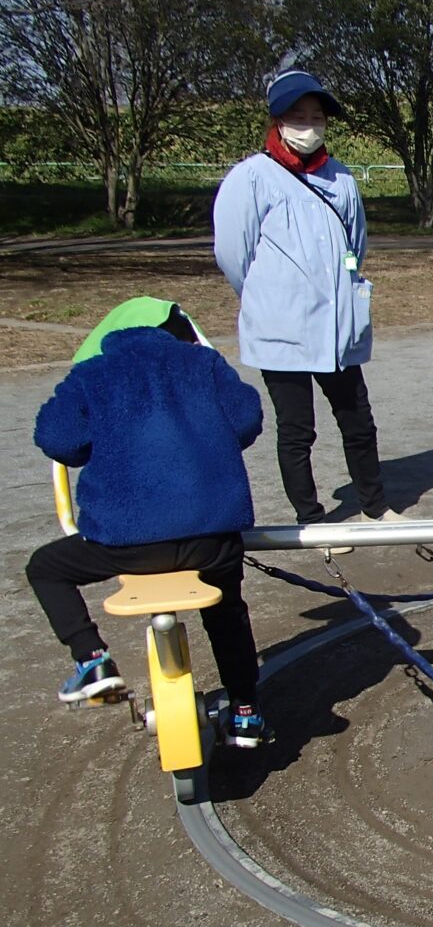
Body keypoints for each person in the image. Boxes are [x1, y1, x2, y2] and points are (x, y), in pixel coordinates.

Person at [26, 298, 269, 747]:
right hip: (211, 538)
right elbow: (246, 420)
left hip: (126, 543)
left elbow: (58, 439)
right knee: (227, 610)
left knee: (46, 567)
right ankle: (245, 711)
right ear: (176, 332)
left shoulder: (91, 374)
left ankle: (92, 657)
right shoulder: (204, 364)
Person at [213, 69, 399, 550]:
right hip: (282, 329)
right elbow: (234, 254)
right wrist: (267, 295)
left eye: (317, 117)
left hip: (338, 327)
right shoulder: (251, 177)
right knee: (298, 430)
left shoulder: (340, 177)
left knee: (358, 418)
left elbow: (355, 244)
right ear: (278, 119)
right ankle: (312, 520)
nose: (309, 124)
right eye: (299, 115)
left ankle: (376, 506)